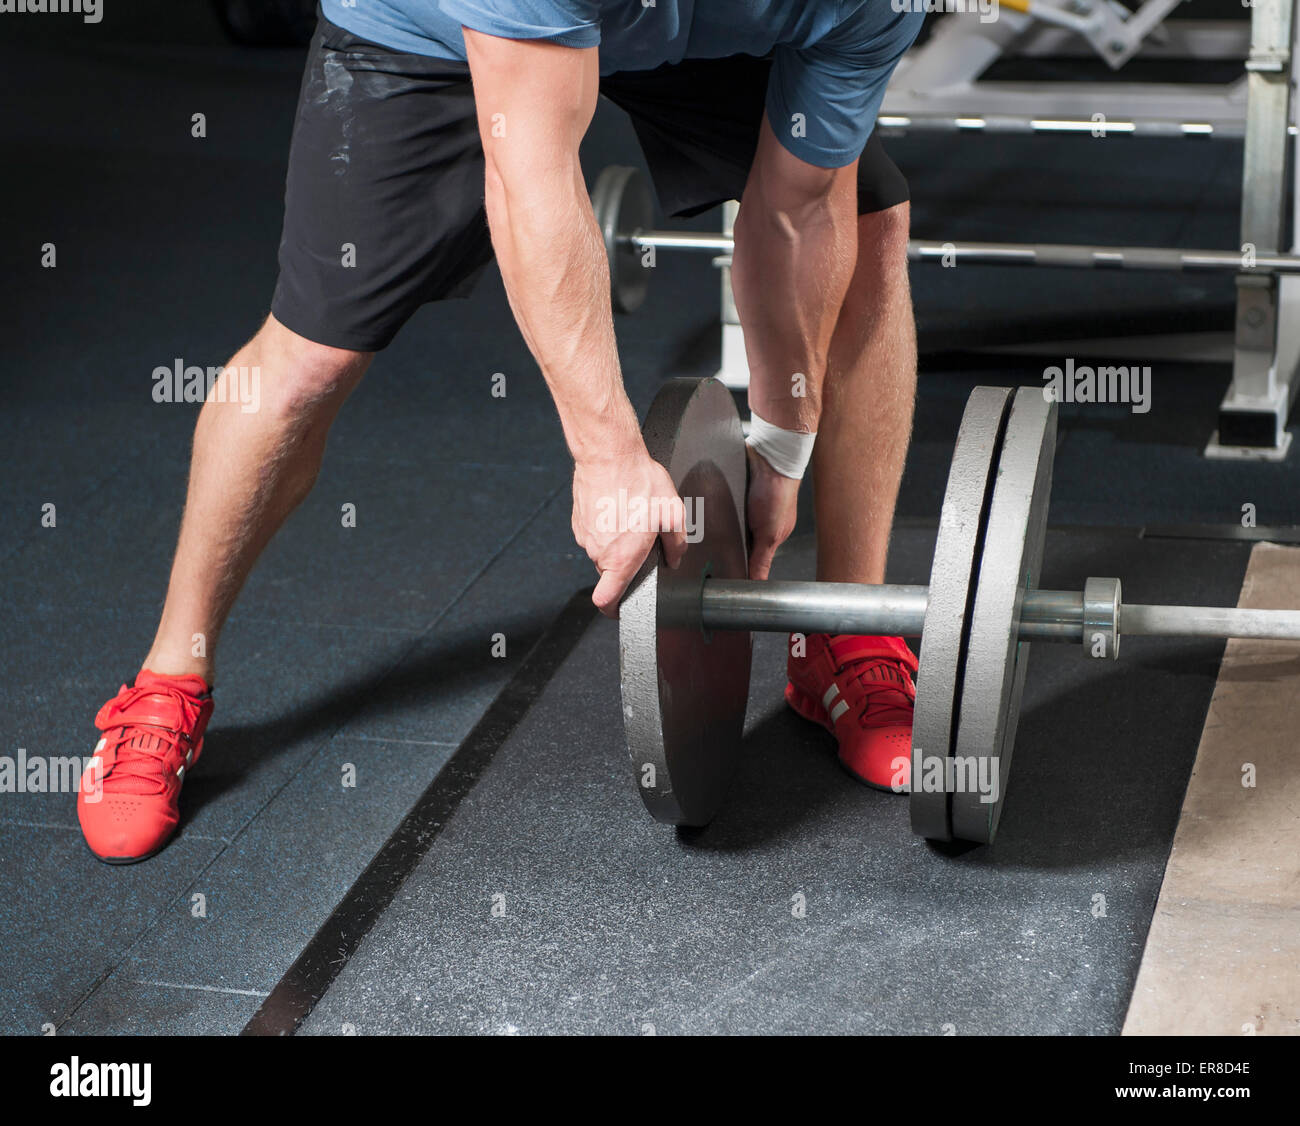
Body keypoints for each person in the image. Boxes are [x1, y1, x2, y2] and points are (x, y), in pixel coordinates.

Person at [78, 1, 926, 863]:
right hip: (431, 27)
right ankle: (167, 679)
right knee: (311, 356)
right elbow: (530, 182)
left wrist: (784, 439)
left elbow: (801, 211)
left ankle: (848, 630)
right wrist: (606, 455)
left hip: (693, 32)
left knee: (869, 226)